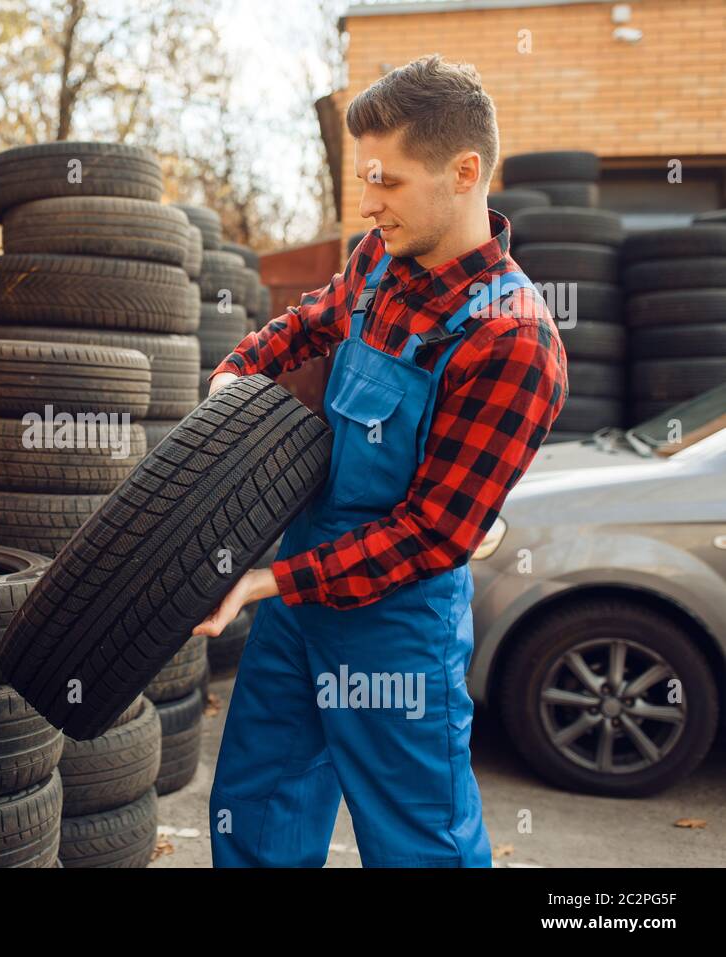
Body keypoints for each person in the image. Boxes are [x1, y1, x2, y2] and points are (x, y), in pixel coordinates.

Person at [195, 53, 568, 867]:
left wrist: (264, 581)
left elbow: (433, 535)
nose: (369, 203)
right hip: (302, 590)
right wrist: (236, 371)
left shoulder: (513, 340)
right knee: (255, 809)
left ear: (464, 171)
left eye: (389, 183)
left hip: (395, 628)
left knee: (416, 843)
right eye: (366, 179)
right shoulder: (380, 260)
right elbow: (315, 319)